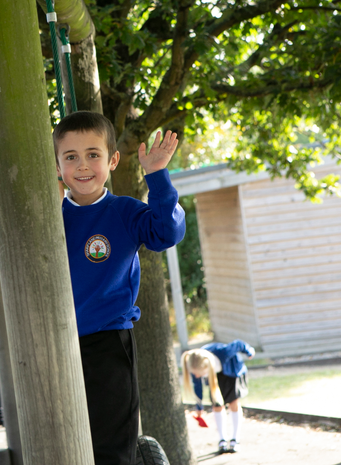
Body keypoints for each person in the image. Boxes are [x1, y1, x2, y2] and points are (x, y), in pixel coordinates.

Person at [53, 111, 185, 465]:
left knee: (111, 446)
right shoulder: (50, 216)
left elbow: (166, 232)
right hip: (56, 344)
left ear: (112, 160)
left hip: (107, 342)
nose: (83, 165)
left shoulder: (123, 211)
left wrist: (156, 176)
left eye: (93, 154)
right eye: (71, 157)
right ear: (57, 166)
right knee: (63, 440)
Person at [182, 340, 255, 454]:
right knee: (217, 405)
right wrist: (199, 406)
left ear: (206, 368)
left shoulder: (223, 353)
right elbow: (197, 386)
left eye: (199, 374)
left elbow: (238, 344)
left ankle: (235, 439)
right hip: (215, 377)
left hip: (232, 372)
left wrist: (249, 351)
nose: (196, 376)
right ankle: (222, 439)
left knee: (233, 403)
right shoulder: (194, 364)